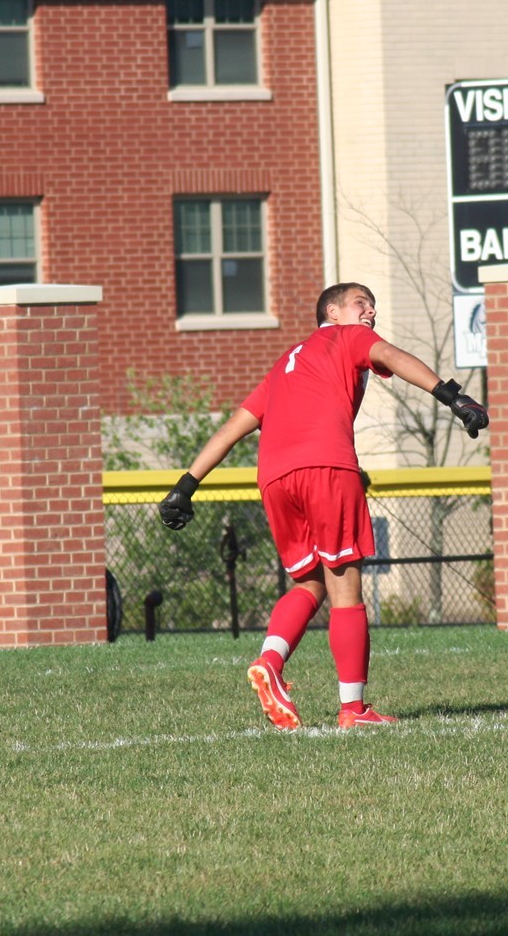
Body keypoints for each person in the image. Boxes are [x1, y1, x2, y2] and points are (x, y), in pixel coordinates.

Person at [158, 282, 488, 731]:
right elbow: (392, 356)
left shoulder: (286, 363)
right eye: (361, 303)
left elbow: (236, 424)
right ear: (332, 312)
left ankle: (270, 661)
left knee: (309, 582)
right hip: (326, 469)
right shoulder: (348, 336)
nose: (370, 312)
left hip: (274, 478)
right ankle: (353, 709)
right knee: (345, 589)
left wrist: (186, 484)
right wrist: (453, 396)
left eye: (373, 306)